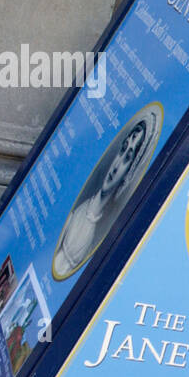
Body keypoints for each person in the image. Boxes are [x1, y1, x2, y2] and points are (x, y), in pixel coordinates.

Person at [53, 114, 155, 279]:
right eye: (122, 150)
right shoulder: (79, 210)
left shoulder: (105, 231)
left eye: (128, 157)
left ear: (129, 171)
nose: (117, 164)